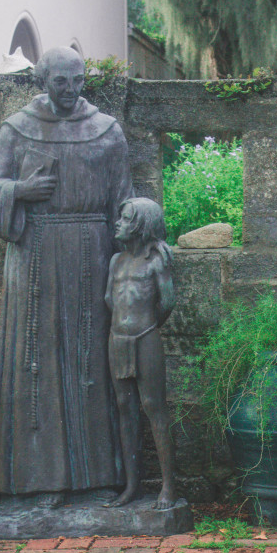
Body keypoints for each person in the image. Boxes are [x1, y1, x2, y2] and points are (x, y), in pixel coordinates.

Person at [0, 46, 132, 507]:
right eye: (61, 81)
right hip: (36, 257)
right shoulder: (18, 128)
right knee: (37, 365)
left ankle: (98, 477)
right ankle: (38, 483)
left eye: (78, 80)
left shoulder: (106, 131)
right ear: (43, 79)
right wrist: (20, 191)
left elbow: (124, 199)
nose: (70, 90)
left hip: (93, 255)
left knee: (92, 365)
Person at [104, 198, 179, 509]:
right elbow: (109, 299)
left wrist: (146, 326)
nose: (118, 223)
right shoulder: (116, 261)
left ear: (140, 225)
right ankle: (132, 485)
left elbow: (168, 302)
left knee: (154, 408)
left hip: (146, 337)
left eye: (125, 218)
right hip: (117, 340)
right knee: (125, 409)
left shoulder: (155, 261)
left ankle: (169, 488)